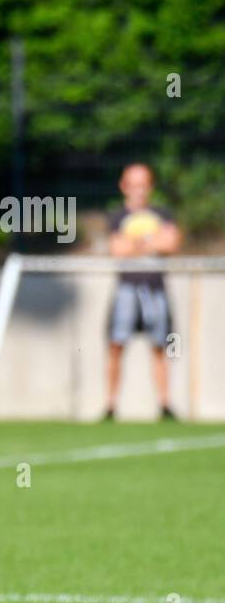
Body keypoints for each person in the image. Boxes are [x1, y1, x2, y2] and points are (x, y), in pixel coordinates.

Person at [105, 163, 181, 421]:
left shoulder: (163, 213)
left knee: (161, 345)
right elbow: (117, 250)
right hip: (126, 288)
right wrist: (150, 241)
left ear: (150, 187)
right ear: (124, 187)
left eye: (143, 184)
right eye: (133, 184)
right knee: (116, 344)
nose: (138, 190)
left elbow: (170, 243)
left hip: (156, 289)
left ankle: (164, 404)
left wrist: (136, 242)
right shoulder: (117, 216)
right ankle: (110, 405)